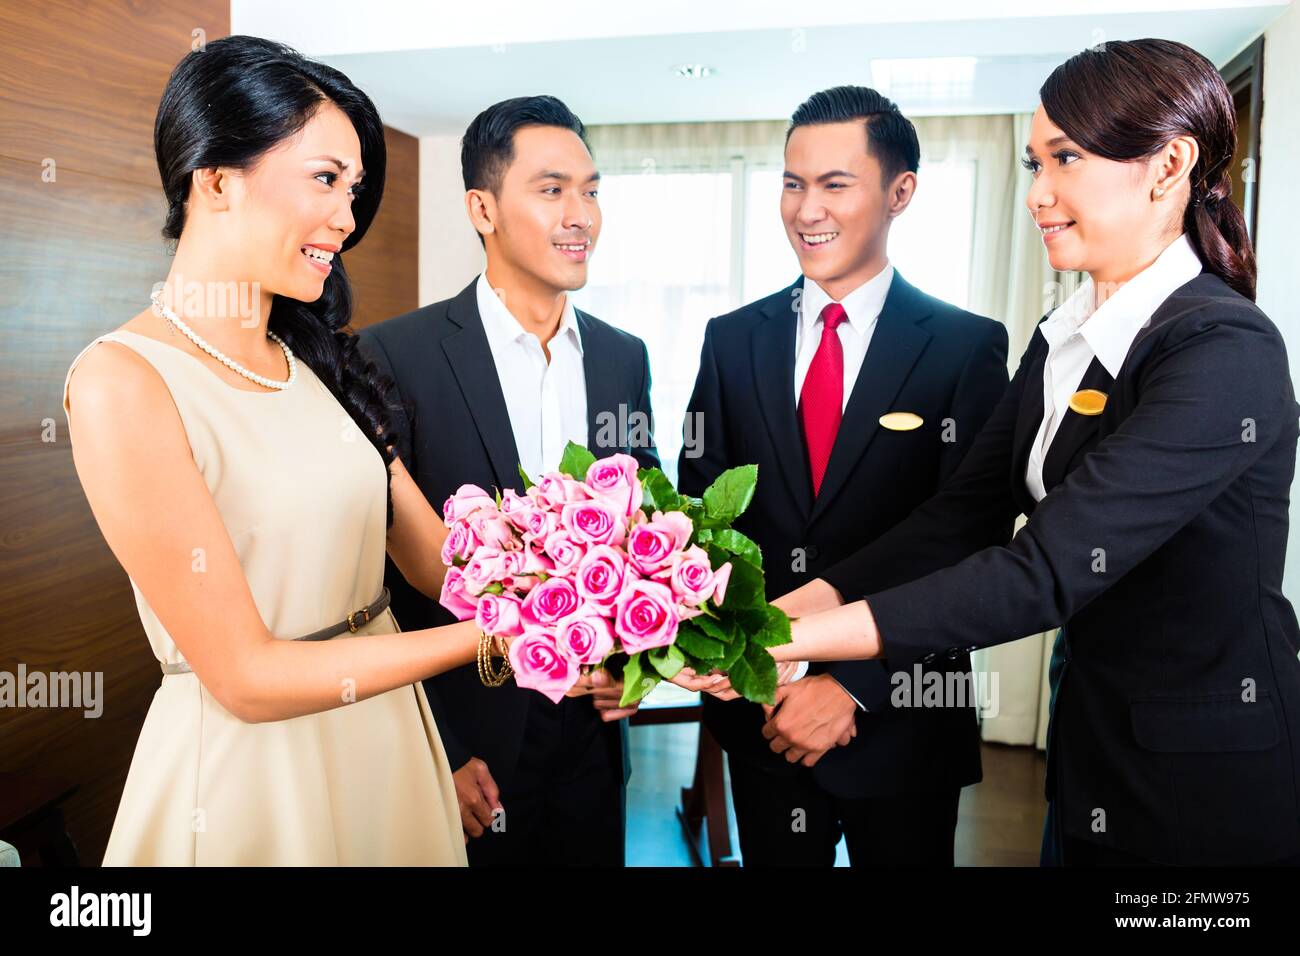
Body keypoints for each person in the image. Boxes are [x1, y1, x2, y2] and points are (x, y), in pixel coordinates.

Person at [760, 39, 1300, 866]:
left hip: (1204, 777)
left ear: (1169, 165)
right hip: (1095, 744)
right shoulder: (1062, 340)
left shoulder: (1224, 350)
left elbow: (1044, 569)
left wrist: (793, 645)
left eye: (1066, 161)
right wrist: (793, 607)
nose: (1038, 195)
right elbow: (960, 518)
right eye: (1032, 164)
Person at [61, 35, 479, 865]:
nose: (348, 219)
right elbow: (248, 677)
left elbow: (440, 563)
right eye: (326, 180)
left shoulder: (317, 360)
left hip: (386, 734)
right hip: (254, 772)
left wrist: (577, 584)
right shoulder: (123, 381)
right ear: (214, 179)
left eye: (354, 191)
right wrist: (495, 639)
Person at [672, 86, 1009, 866]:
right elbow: (701, 518)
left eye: (834, 184)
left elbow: (972, 537)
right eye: (792, 184)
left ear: (900, 192)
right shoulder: (731, 342)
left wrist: (854, 684)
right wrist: (747, 663)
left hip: (904, 718)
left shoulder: (965, 347)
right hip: (762, 719)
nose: (805, 209)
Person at [358, 95, 659, 866]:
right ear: (482, 208)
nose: (581, 215)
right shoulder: (396, 356)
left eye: (591, 191)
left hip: (594, 731)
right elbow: (377, 584)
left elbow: (644, 537)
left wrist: (633, 662)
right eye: (553, 189)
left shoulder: (625, 358)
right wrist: (442, 747)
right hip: (472, 739)